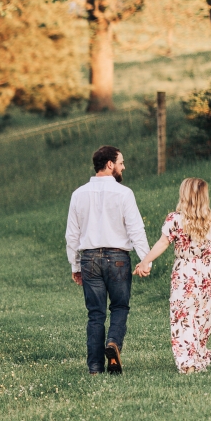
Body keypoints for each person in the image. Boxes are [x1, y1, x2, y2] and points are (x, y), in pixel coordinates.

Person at [134, 178, 211, 373]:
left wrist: (146, 261)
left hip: (185, 273)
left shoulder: (175, 219)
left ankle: (188, 362)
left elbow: (163, 243)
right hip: (208, 274)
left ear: (185, 195)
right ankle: (196, 356)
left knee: (183, 317)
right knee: (203, 317)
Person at [66, 146, 150, 375]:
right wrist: (146, 260)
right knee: (120, 306)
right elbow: (136, 229)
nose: (124, 166)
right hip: (118, 259)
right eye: (121, 162)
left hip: (89, 259)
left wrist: (75, 265)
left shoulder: (78, 194)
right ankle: (113, 344)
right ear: (110, 164)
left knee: (95, 314)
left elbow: (72, 235)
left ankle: (94, 368)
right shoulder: (124, 193)